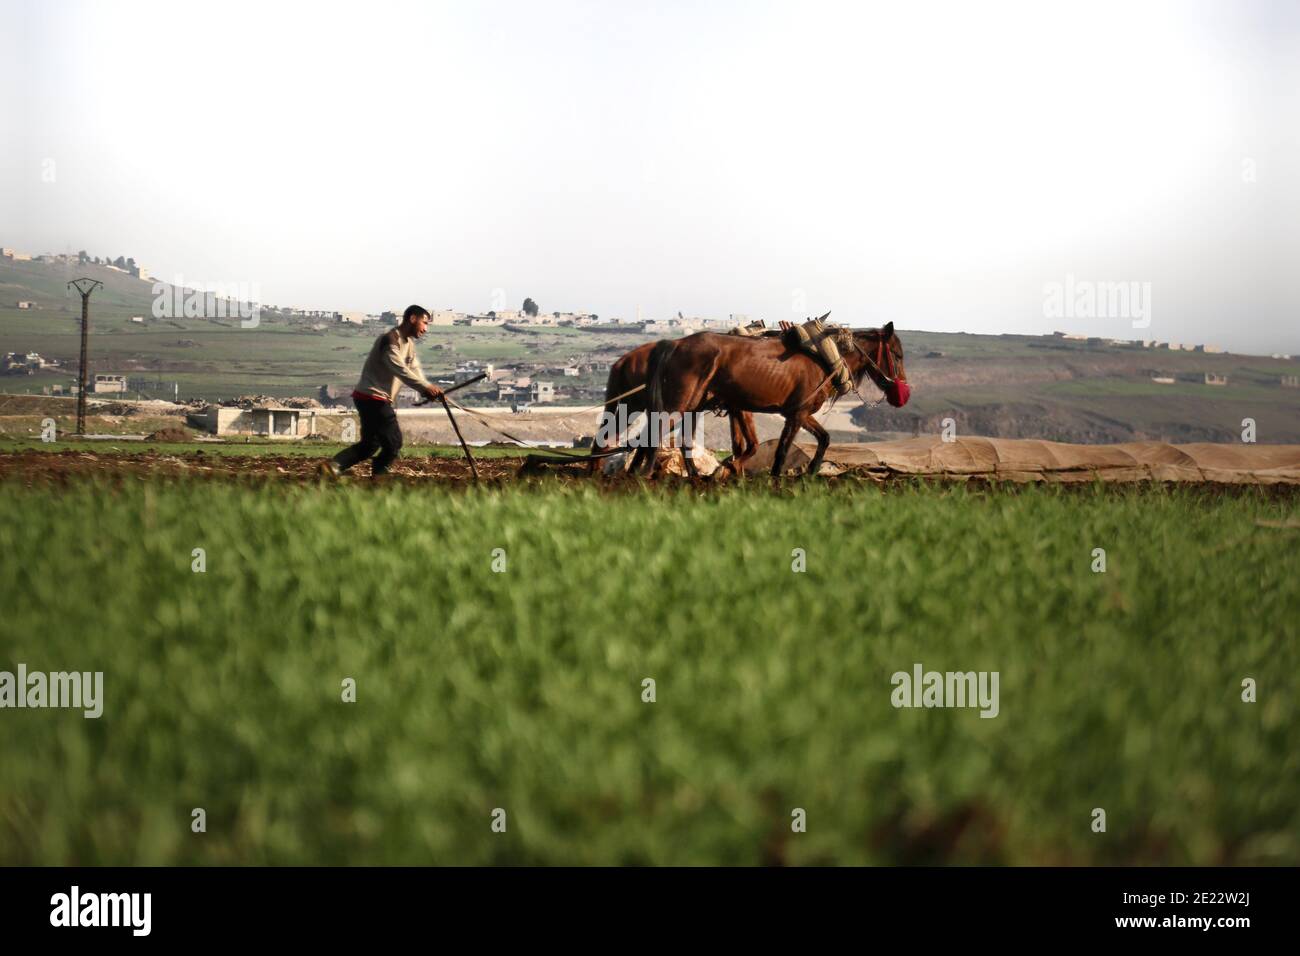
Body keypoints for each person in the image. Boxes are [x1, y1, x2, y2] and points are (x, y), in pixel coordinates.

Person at [318, 304, 443, 478]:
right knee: (394, 443)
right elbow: (400, 369)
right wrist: (426, 388)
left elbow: (415, 370)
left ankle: (333, 466)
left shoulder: (409, 345)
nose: (425, 329)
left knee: (370, 445)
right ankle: (380, 476)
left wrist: (428, 391)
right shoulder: (390, 340)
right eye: (424, 323)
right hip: (373, 397)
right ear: (412, 319)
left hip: (369, 398)